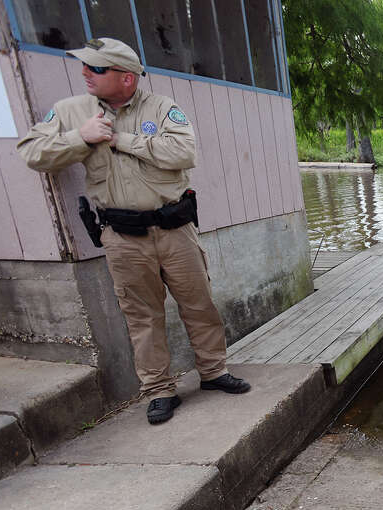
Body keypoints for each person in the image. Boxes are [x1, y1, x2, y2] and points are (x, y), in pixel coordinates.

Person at [17, 38, 249, 425]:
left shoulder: (161, 109)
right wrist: (82, 137)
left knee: (200, 305)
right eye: (85, 67)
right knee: (143, 316)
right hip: (123, 236)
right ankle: (159, 390)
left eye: (96, 68)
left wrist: (120, 139)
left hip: (175, 229)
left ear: (126, 78)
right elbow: (32, 153)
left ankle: (213, 372)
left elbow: (183, 153)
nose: (85, 73)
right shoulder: (71, 111)